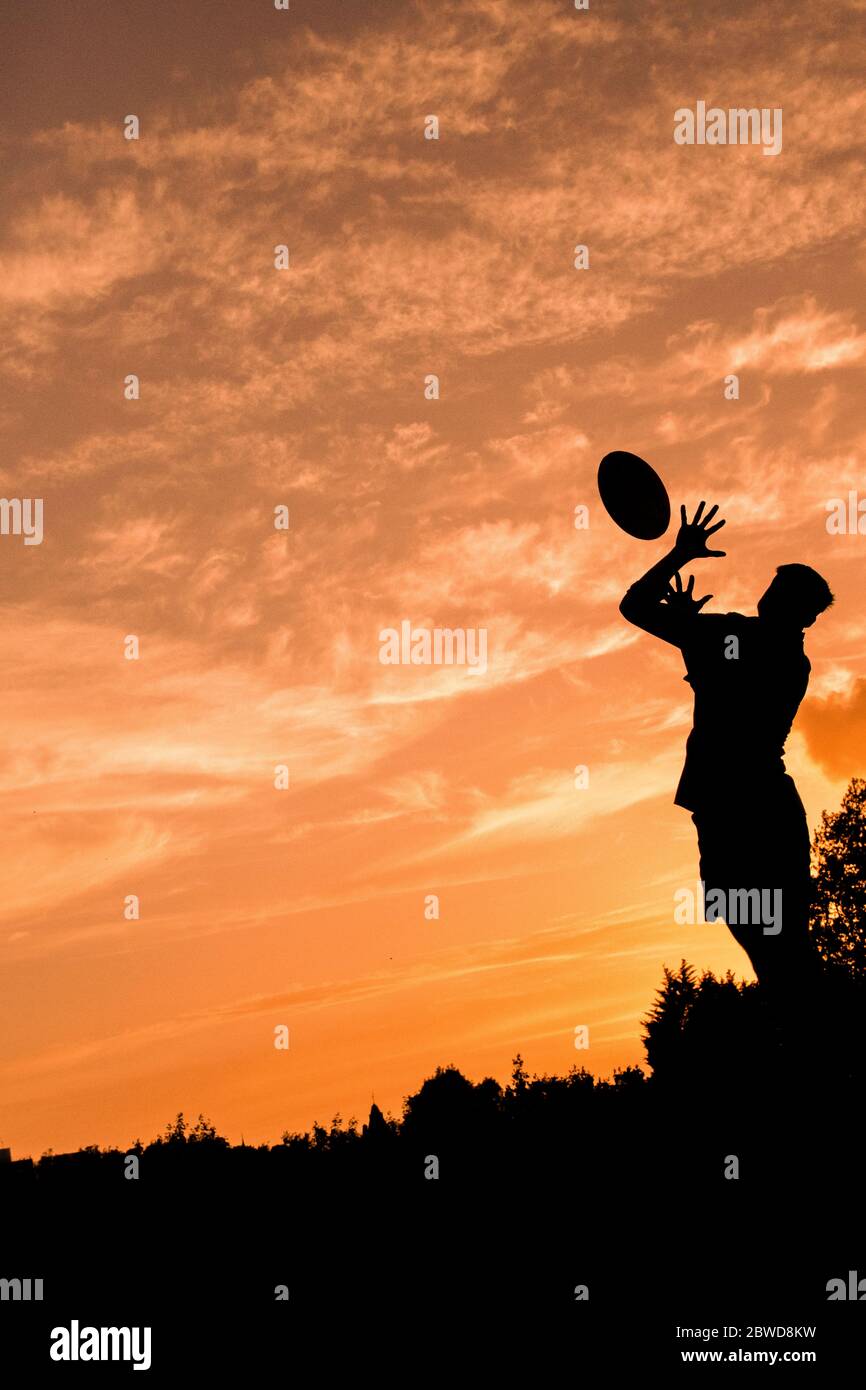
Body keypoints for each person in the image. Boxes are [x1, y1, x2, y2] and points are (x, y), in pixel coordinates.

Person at [619, 502, 834, 995]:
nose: (769, 595)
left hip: (741, 808)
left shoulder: (737, 638)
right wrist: (691, 634)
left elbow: (635, 607)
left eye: (780, 592)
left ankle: (816, 1030)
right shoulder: (775, 652)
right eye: (773, 587)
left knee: (773, 947)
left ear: (802, 614)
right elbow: (725, 677)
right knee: (779, 945)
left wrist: (680, 557)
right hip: (755, 807)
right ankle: (814, 1027)